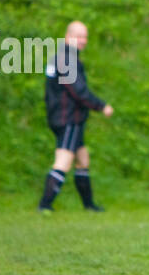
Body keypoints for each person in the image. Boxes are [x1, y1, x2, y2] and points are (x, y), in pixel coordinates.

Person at [38, 20, 112, 213]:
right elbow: (79, 91)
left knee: (83, 160)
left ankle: (89, 205)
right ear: (68, 37)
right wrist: (101, 106)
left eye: (85, 36)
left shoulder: (61, 58)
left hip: (63, 117)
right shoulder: (67, 60)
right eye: (79, 36)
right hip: (68, 119)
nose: (83, 41)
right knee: (63, 160)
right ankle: (45, 205)